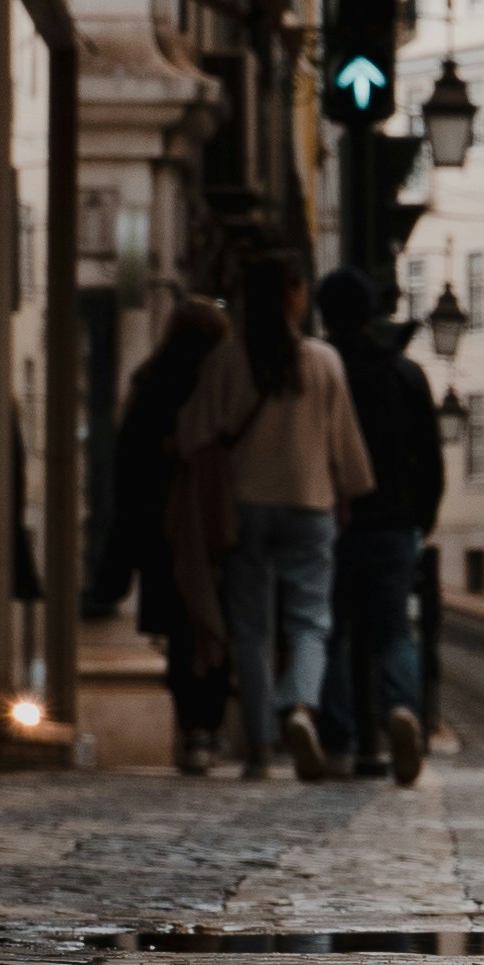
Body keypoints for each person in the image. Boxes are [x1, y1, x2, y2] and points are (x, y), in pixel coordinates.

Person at [173, 252, 372, 782]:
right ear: (293, 294)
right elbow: (347, 450)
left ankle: (260, 747)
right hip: (311, 504)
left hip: (246, 510)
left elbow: (192, 433)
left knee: (250, 630)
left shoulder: (226, 360)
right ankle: (300, 707)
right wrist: (348, 493)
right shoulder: (324, 361)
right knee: (310, 619)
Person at [310, 267, 445, 783]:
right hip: (392, 523)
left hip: (331, 519)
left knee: (331, 633)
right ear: (371, 314)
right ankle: (402, 711)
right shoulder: (405, 375)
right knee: (393, 632)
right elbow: (430, 461)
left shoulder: (321, 370)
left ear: (325, 315)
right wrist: (420, 520)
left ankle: (339, 742)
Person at [103, 292, 234, 771]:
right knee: (215, 627)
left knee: (181, 633)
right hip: (217, 523)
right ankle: (210, 727)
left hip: (162, 526)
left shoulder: (150, 381)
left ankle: (191, 732)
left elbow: (127, 463)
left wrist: (129, 531)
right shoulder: (222, 384)